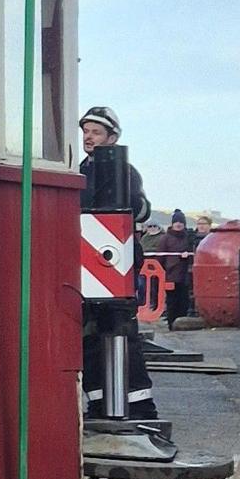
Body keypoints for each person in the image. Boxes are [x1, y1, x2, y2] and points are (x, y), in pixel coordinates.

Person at [79, 106, 157, 422]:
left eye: (96, 132)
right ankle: (99, 401)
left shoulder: (126, 172)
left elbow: (141, 210)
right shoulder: (80, 170)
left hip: (115, 263)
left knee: (122, 331)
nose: (88, 137)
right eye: (86, 131)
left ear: (112, 138)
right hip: (88, 265)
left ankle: (140, 406)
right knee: (89, 334)